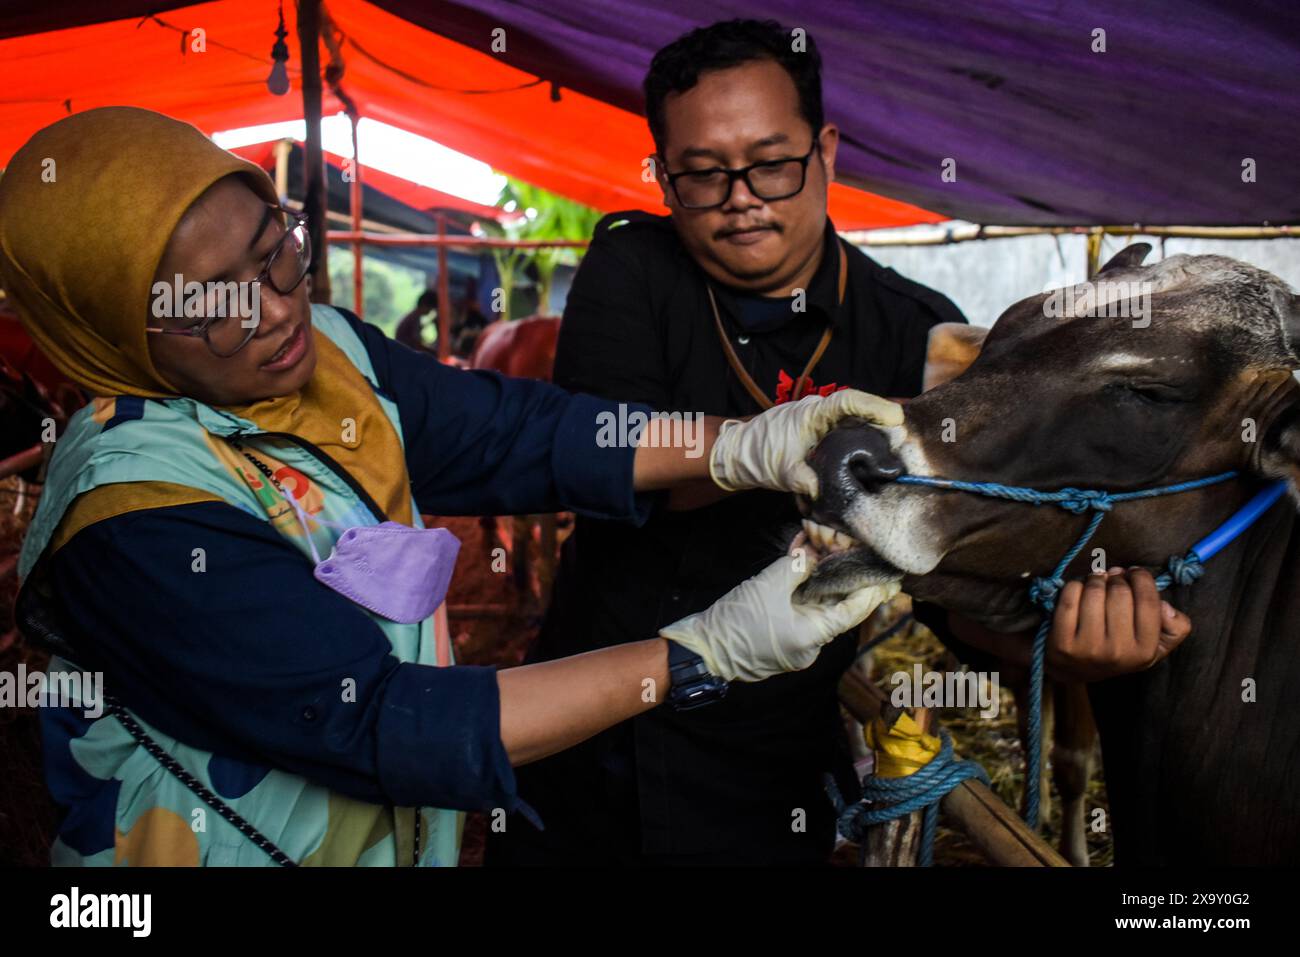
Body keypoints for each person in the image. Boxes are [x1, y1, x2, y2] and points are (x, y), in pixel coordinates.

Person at [0, 106, 901, 867]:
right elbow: (388, 722)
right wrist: (705, 652)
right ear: (115, 327)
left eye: (277, 253)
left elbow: (525, 432)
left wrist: (744, 444)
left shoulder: (332, 357)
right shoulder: (131, 515)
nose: (275, 308)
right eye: (210, 303)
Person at [487, 19, 1191, 866]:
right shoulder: (630, 272)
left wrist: (1066, 654)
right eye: (703, 173)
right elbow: (617, 461)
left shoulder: (915, 331)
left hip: (773, 755)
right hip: (595, 726)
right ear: (665, 177)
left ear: (825, 150)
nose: (741, 194)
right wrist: (794, 447)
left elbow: (952, 589)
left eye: (771, 161)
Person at [392, 287, 439, 355]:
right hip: (405, 353)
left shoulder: (412, 316)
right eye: (430, 309)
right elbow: (416, 345)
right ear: (424, 306)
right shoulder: (414, 320)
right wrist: (434, 352)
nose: (430, 312)